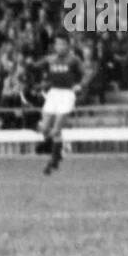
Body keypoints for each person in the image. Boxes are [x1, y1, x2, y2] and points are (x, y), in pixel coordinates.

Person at [36, 33, 83, 176]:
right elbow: (35, 66)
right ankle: (59, 152)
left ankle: (53, 161)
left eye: (62, 44)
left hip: (67, 94)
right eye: (57, 44)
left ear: (68, 45)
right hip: (53, 93)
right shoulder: (50, 59)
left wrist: (79, 85)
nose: (60, 47)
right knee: (44, 128)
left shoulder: (74, 60)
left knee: (56, 130)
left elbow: (86, 74)